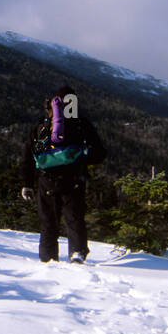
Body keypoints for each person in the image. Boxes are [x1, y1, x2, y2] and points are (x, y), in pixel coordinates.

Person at [20, 86, 106, 263]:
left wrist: (27, 184)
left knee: (48, 222)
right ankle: (77, 254)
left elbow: (28, 158)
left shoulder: (41, 126)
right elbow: (100, 154)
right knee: (74, 219)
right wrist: (80, 158)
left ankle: (48, 259)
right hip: (74, 179)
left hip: (46, 181)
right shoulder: (81, 124)